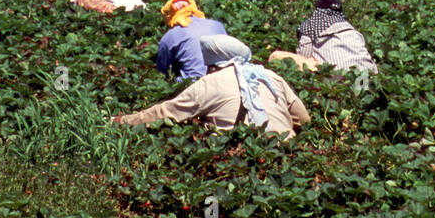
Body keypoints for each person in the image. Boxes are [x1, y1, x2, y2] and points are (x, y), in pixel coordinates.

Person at [113, 35, 309, 138]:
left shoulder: (209, 83)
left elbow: (165, 113)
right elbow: (303, 119)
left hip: (242, 156)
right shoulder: (271, 76)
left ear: (213, 64)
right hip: (286, 151)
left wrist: (123, 121)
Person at [271, 0, 378, 74]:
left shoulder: (311, 26)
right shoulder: (350, 29)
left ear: (318, 10)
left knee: (276, 56)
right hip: (366, 76)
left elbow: (304, 57)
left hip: (338, 78)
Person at [155, 0, 229, 81]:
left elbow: (163, 73)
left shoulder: (170, 36)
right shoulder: (217, 25)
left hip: (195, 84)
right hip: (227, 79)